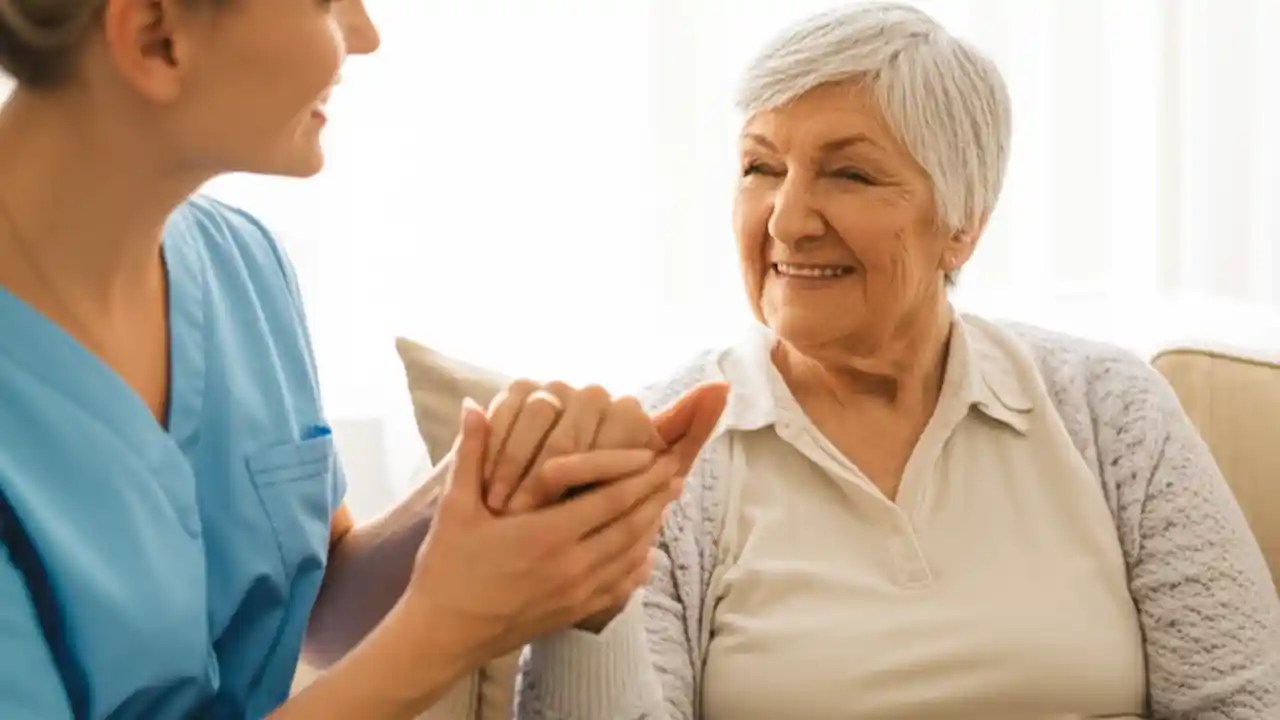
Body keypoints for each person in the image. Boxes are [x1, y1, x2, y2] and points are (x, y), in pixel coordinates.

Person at [512, 3, 1280, 718]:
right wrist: (589, 585)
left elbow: (1245, 701)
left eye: (849, 173)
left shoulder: (1111, 410)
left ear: (962, 226)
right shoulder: (663, 457)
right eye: (761, 168)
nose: (786, 220)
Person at [0, 1, 727, 718]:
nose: (366, 36)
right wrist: (452, 630)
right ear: (157, 37)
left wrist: (500, 472)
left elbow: (321, 608)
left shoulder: (241, 267)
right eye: (325, 3)